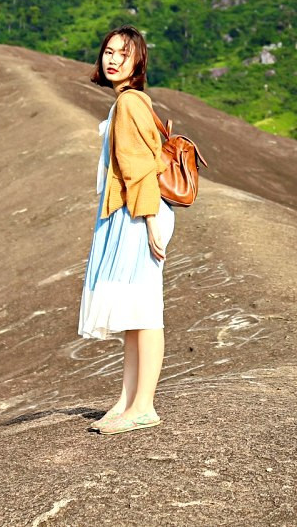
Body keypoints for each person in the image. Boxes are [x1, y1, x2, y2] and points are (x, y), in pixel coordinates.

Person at [79, 25, 175, 435]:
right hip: (129, 214)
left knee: (146, 311)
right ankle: (127, 400)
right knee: (133, 316)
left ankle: (144, 406)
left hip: (140, 215)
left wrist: (152, 222)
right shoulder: (123, 104)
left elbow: (139, 170)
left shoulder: (131, 103)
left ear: (138, 62)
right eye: (108, 52)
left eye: (123, 53)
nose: (113, 59)